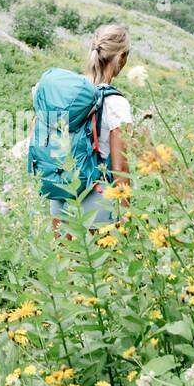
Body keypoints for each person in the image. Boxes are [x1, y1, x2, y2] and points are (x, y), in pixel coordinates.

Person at [46, 24, 133, 232]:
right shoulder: (117, 103)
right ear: (121, 57)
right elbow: (120, 168)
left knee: (64, 261)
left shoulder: (70, 93)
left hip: (60, 193)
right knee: (101, 263)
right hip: (97, 199)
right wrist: (127, 213)